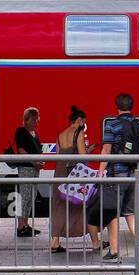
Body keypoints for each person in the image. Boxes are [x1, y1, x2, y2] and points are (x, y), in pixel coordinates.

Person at [98, 92, 139, 263]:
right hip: (136, 173)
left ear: (117, 106)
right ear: (131, 106)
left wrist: (100, 171)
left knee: (112, 210)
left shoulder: (112, 126)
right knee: (130, 212)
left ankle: (114, 250)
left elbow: (106, 150)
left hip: (118, 173)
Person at [49, 106, 101, 253]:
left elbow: (59, 155)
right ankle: (95, 242)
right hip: (74, 173)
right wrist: (88, 152)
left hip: (59, 173)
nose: (84, 124)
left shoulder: (60, 135)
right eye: (84, 121)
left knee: (59, 207)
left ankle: (55, 242)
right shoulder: (79, 132)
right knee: (86, 205)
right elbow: (82, 155)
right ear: (79, 120)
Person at [12, 107, 42, 238]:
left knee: (31, 196)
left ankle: (25, 224)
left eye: (37, 119)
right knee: (24, 196)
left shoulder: (34, 134)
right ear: (27, 119)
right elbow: (21, 150)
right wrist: (33, 162)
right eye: (34, 119)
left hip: (34, 169)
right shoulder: (21, 132)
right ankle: (20, 226)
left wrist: (39, 163)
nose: (36, 121)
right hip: (26, 168)